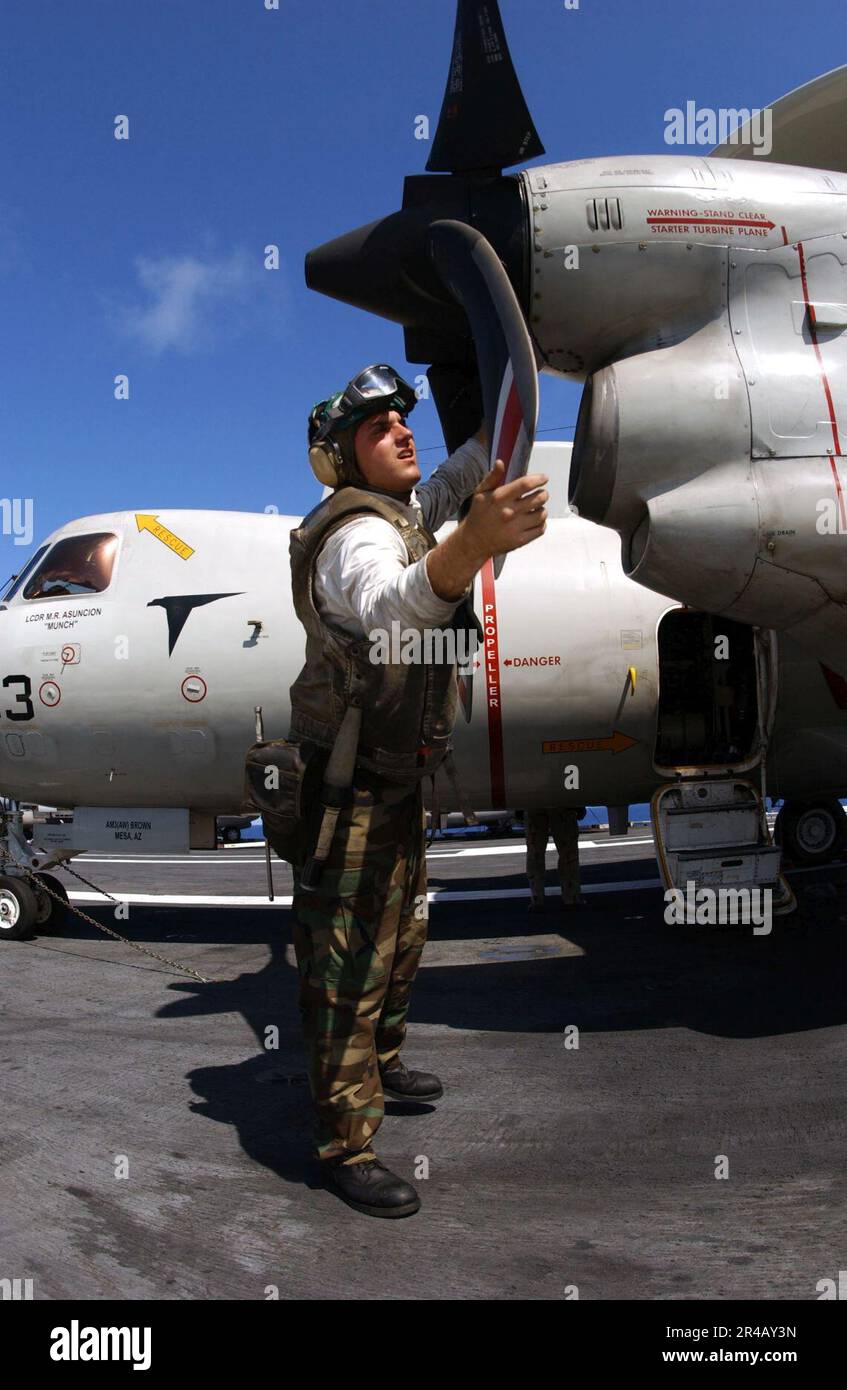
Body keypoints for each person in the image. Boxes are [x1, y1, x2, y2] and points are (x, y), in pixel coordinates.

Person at [286, 363, 548, 1217]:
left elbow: (463, 466)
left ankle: (383, 1061)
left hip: (396, 785)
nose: (402, 430)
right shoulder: (351, 538)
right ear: (343, 459)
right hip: (349, 796)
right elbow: (396, 609)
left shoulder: (404, 516)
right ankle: (343, 1144)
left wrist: (495, 367)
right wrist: (474, 544)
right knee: (345, 969)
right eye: (378, 428)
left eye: (404, 416)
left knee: (400, 945)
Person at [525, 807, 586, 913]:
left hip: (534, 803)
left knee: (535, 852)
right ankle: (571, 897)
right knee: (568, 852)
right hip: (561, 804)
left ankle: (537, 898)